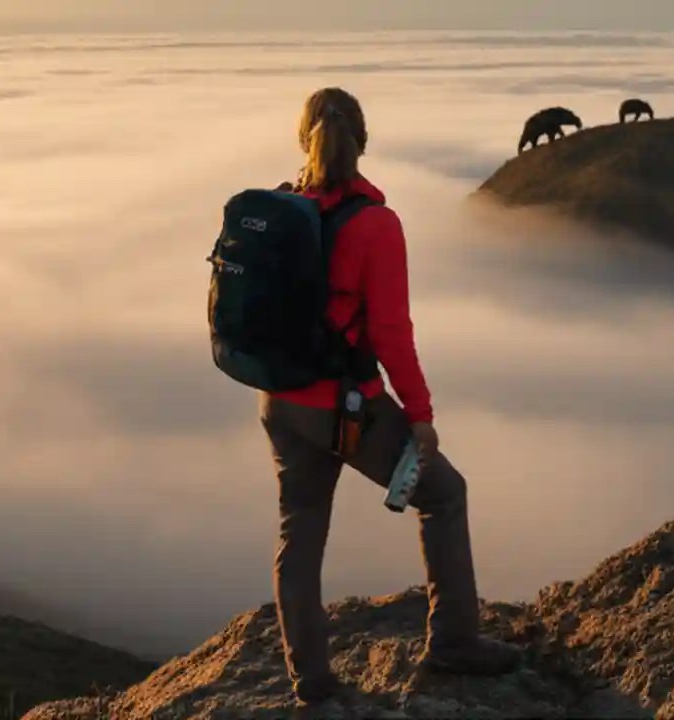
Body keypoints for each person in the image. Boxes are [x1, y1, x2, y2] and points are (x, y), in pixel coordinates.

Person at [259, 87, 521, 707]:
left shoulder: (280, 210)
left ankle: (312, 682)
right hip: (347, 407)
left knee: (299, 533)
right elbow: (390, 334)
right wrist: (421, 417)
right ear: (364, 141)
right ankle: (454, 642)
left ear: (305, 139)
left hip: (281, 402)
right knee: (444, 493)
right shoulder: (375, 224)